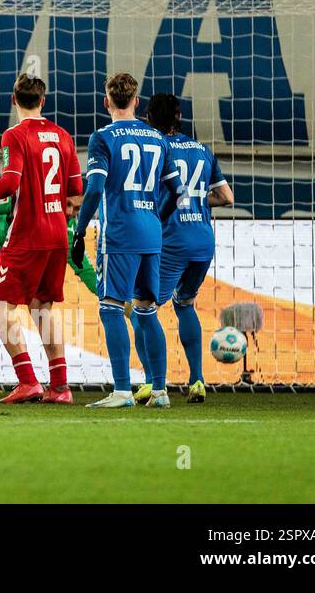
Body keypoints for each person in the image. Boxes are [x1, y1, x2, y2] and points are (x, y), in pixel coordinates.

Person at [71, 73, 181, 409]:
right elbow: (177, 191)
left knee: (111, 308)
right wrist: (154, 218)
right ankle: (160, 391)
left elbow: (93, 189)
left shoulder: (103, 137)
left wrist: (78, 231)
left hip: (118, 233)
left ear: (107, 102)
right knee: (148, 311)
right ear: (136, 102)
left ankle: (121, 390)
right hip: (151, 233)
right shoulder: (158, 138)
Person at [0, 74, 84, 405]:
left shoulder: (15, 134)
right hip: (57, 235)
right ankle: (61, 386)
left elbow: (10, 182)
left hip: (28, 234)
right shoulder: (62, 135)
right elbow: (77, 190)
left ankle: (27, 380)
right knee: (43, 306)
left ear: (14, 100)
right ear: (43, 101)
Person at [134, 92, 234, 405]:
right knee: (185, 304)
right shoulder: (202, 150)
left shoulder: (156, 148)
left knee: (141, 309)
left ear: (149, 120)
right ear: (179, 116)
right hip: (203, 240)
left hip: (171, 239)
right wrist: (195, 201)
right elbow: (227, 198)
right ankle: (198, 381)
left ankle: (153, 383)